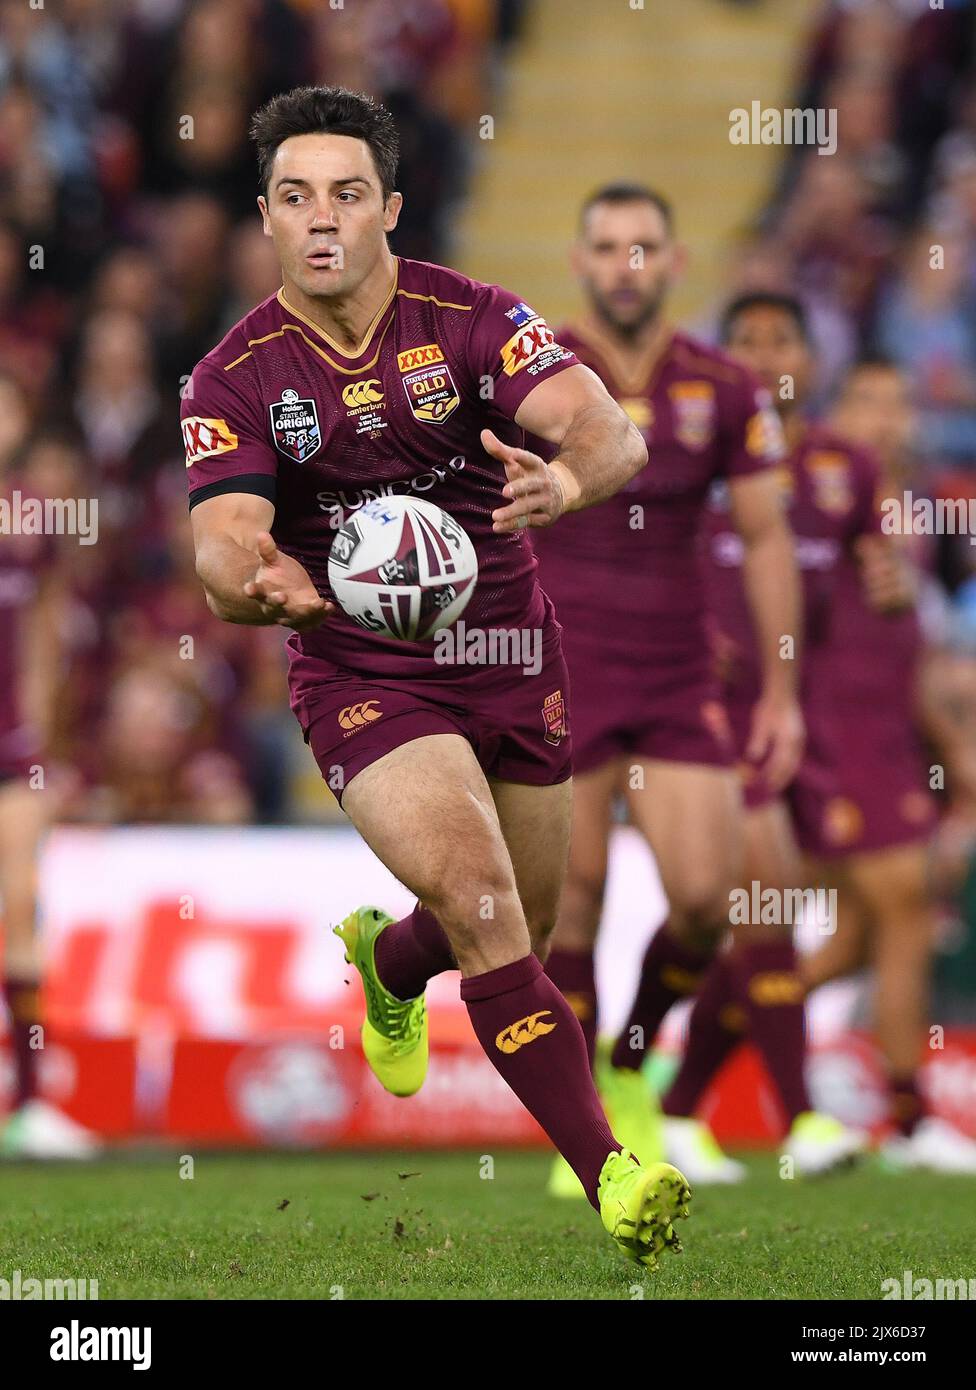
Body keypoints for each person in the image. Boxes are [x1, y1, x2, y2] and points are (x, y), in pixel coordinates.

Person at [185, 84, 689, 1268]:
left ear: (391, 209)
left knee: (523, 915)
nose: (323, 220)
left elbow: (611, 434)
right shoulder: (235, 375)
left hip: (511, 653)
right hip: (364, 672)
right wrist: (259, 580)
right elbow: (218, 551)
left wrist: (561, 489)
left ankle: (386, 960)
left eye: (347, 195)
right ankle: (613, 1172)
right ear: (265, 218)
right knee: (484, 904)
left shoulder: (470, 318)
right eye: (296, 197)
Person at [531, 186, 804, 1194]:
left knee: (701, 904)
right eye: (606, 247)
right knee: (574, 906)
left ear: (675, 261)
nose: (624, 265)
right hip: (558, 672)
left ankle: (634, 1056)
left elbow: (767, 537)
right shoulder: (536, 372)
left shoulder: (723, 385)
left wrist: (780, 690)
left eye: (642, 245)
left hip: (680, 672)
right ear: (580, 258)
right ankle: (593, 1132)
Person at [661, 295, 891, 1181]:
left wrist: (894, 584)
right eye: (745, 342)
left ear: (811, 354)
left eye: (780, 340)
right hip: (715, 721)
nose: (763, 357)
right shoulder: (689, 465)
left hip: (811, 719)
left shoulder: (845, 467)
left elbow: (872, 574)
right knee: (766, 902)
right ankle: (802, 1120)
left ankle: (677, 1107)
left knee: (777, 919)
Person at [799, 358, 976, 1174]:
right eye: (866, 400)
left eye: (898, 400)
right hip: (845, 739)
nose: (885, 416)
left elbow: (919, 649)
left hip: (894, 740)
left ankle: (675, 1075)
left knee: (850, 949)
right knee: (906, 912)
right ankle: (909, 1122)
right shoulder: (819, 504)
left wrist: (945, 742)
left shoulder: (915, 516)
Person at [0, 479, 100, 1158]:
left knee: (18, 910)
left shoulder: (27, 522)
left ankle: (31, 1106)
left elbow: (42, 640)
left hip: (10, 751)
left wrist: (37, 737)